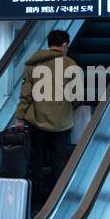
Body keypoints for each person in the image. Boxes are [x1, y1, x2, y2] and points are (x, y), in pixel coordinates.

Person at [14, 29, 77, 208]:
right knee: (59, 163)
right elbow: (76, 95)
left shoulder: (33, 63)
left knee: (37, 162)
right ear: (64, 45)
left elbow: (25, 95)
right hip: (62, 124)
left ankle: (36, 201)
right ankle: (56, 202)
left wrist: (20, 118)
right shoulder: (70, 64)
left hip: (37, 123)